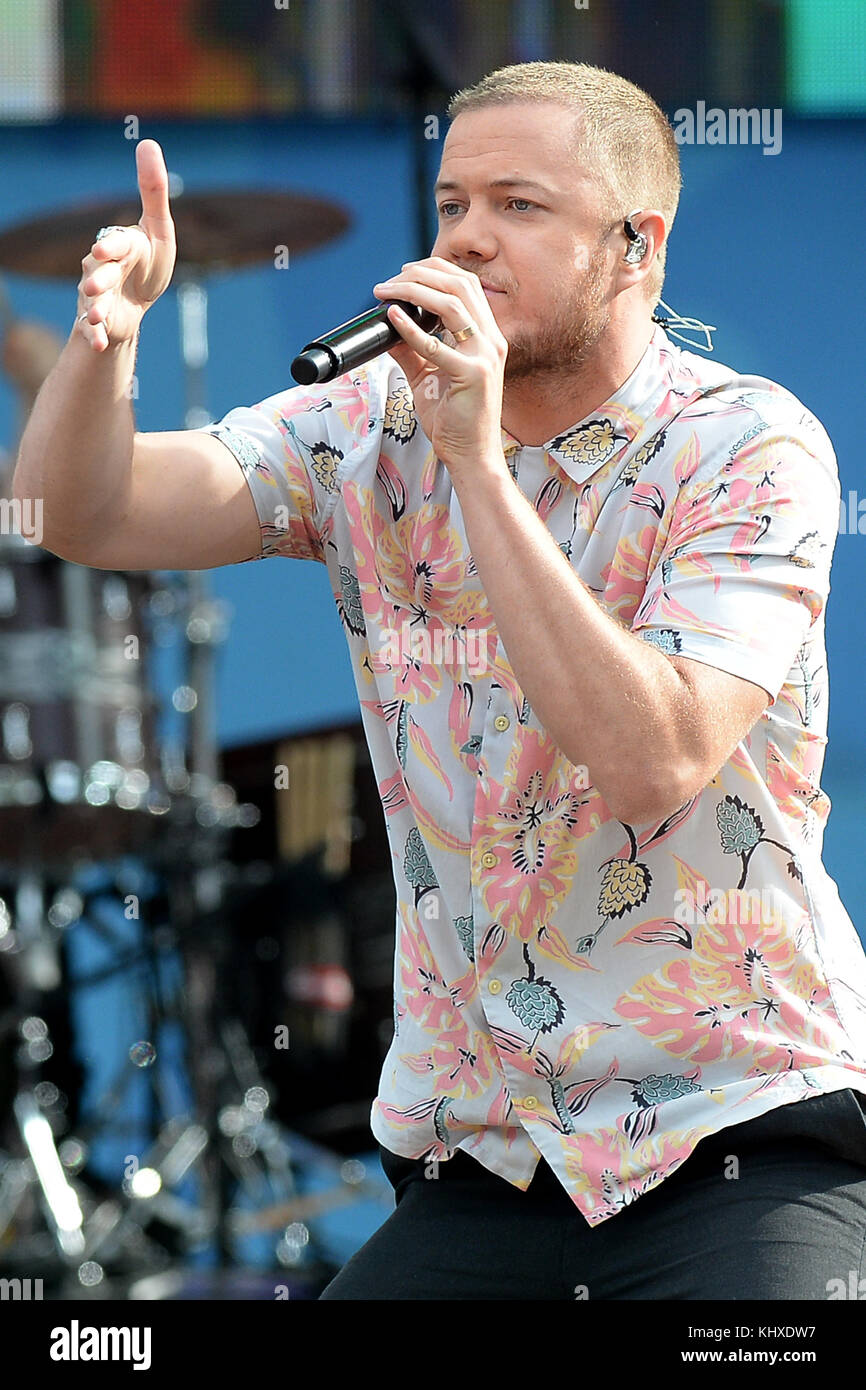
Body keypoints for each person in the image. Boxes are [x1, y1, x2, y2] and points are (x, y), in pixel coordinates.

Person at [14, 60, 866, 1301]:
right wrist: (103, 346)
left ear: (637, 244)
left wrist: (474, 459)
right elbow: (82, 514)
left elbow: (652, 759)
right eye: (452, 203)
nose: (467, 237)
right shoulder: (364, 424)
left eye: (518, 206)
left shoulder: (745, 449)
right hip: (488, 1151)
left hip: (733, 1131)